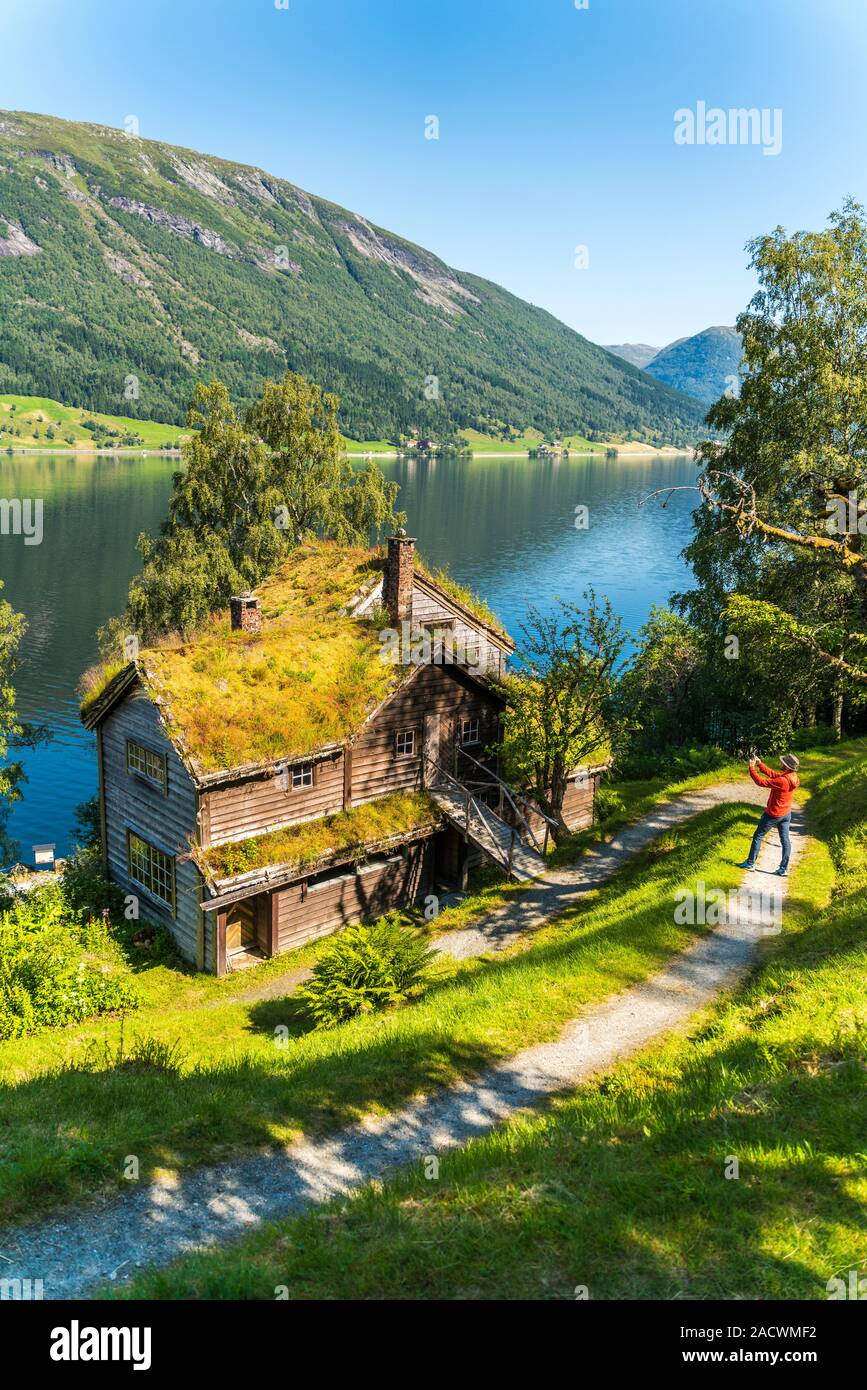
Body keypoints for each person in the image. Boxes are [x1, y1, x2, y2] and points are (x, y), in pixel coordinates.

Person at [736, 753, 800, 876]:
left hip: (773, 814)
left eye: (782, 762)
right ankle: (783, 868)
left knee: (758, 836)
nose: (780, 763)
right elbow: (775, 775)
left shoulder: (782, 781)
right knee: (785, 840)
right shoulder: (794, 778)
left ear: (787, 766)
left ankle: (750, 863)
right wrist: (760, 765)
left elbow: (760, 782)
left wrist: (751, 767)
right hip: (786, 813)